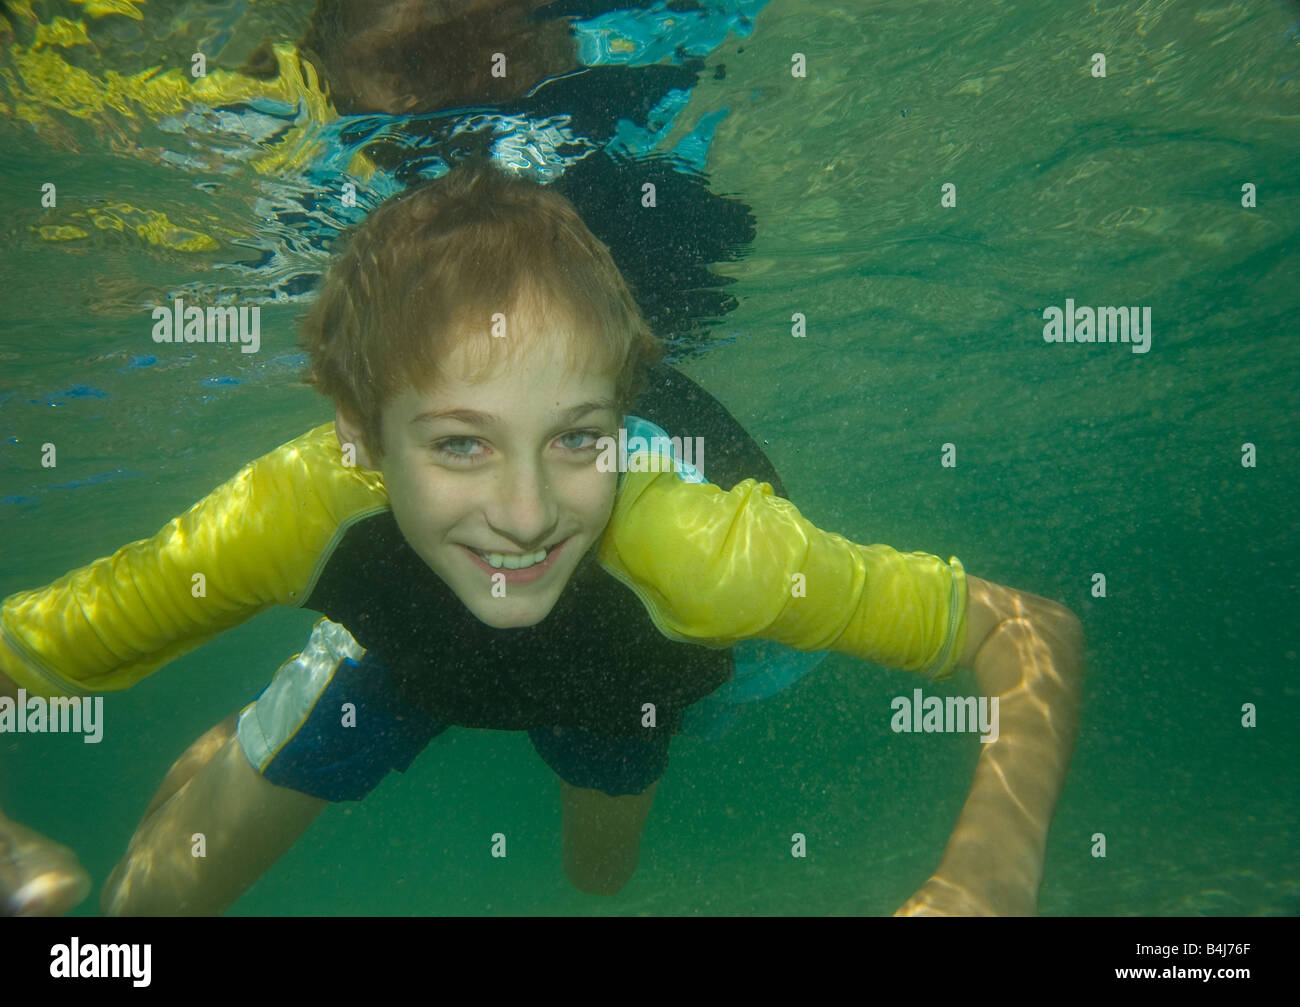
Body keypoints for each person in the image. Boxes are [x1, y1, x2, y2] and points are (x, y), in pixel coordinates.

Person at [1, 161, 1083, 916]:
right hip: (410, 654)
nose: (525, 516)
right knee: (145, 910)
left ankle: (246, 737)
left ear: (626, 413)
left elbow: (1027, 631)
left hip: (621, 678)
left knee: (597, 879)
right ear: (360, 439)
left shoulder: (704, 546)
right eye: (460, 445)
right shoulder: (299, 508)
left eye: (577, 438)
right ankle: (259, 722)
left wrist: (983, 882)